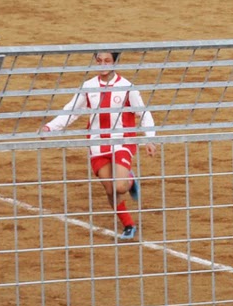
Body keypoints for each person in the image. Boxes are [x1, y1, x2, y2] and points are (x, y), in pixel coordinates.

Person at [40, 49, 159, 241]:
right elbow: (71, 111)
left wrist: (150, 139)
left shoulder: (127, 86)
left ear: (114, 63)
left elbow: (144, 113)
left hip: (122, 142)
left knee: (119, 186)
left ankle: (129, 180)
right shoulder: (88, 87)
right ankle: (128, 225)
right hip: (97, 145)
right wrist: (50, 128)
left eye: (107, 61)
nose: (103, 64)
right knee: (110, 190)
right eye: (99, 61)